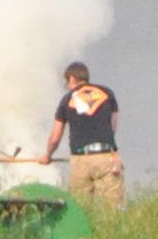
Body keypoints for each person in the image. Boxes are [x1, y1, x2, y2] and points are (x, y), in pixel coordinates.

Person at [42, 61, 123, 208]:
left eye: (66, 83)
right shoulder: (107, 93)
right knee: (113, 209)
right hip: (106, 156)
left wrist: (47, 155)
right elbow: (113, 125)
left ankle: (84, 231)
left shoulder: (67, 100)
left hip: (81, 158)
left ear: (72, 79)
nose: (67, 87)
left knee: (81, 208)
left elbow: (55, 138)